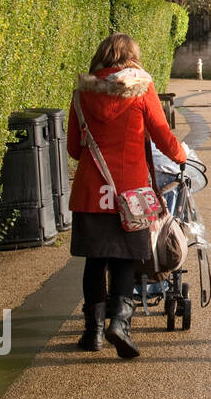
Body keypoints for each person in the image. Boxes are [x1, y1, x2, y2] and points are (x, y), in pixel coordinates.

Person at [67, 33, 185, 359]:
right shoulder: (142, 89)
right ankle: (120, 324)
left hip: (92, 191)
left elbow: (74, 149)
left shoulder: (82, 92)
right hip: (131, 193)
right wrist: (180, 156)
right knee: (123, 259)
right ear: (131, 57)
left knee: (95, 261)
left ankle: (92, 332)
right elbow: (162, 135)